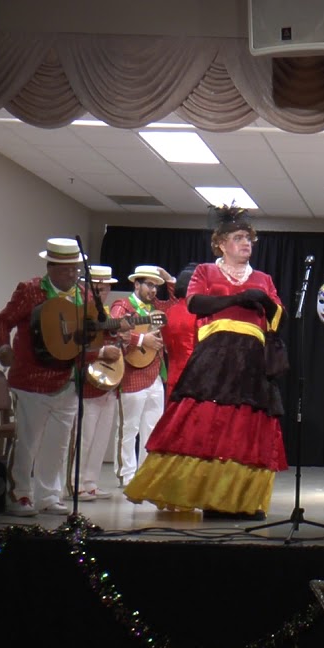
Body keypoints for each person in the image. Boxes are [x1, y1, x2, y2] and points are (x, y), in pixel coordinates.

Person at [125, 208, 287, 518]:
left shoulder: (263, 278)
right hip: (215, 357)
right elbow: (195, 302)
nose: (246, 243)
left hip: (252, 359)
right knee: (207, 423)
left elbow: (278, 318)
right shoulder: (206, 271)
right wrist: (237, 299)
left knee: (245, 427)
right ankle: (207, 495)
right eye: (239, 238)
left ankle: (241, 499)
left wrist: (264, 299)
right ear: (222, 244)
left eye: (249, 239)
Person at [0, 238, 124, 516]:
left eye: (75, 269)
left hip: (68, 379)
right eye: (64, 270)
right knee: (28, 440)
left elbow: (84, 338)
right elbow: (2, 321)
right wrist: (3, 347)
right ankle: (20, 494)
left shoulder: (85, 296)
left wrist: (105, 344)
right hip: (32, 378)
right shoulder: (30, 291)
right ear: (50, 267)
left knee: (59, 442)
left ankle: (49, 495)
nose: (71, 275)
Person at [112, 264, 175, 487]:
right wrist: (141, 340)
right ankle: (127, 476)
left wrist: (168, 279)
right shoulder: (124, 306)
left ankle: (145, 475)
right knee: (129, 428)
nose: (154, 290)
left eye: (156, 286)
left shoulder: (156, 307)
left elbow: (176, 305)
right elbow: (114, 331)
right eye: (149, 284)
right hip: (132, 374)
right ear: (136, 284)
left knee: (152, 426)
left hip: (155, 373)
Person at [73, 264, 122, 501]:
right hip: (86, 382)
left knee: (101, 436)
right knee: (85, 436)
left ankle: (91, 482)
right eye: (99, 289)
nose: (103, 294)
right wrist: (102, 351)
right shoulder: (80, 313)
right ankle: (77, 483)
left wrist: (120, 334)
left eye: (105, 289)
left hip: (107, 382)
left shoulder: (106, 314)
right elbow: (75, 346)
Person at [162, 263, 199, 402]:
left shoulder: (169, 312)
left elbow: (166, 346)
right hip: (193, 376)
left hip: (173, 374)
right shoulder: (198, 313)